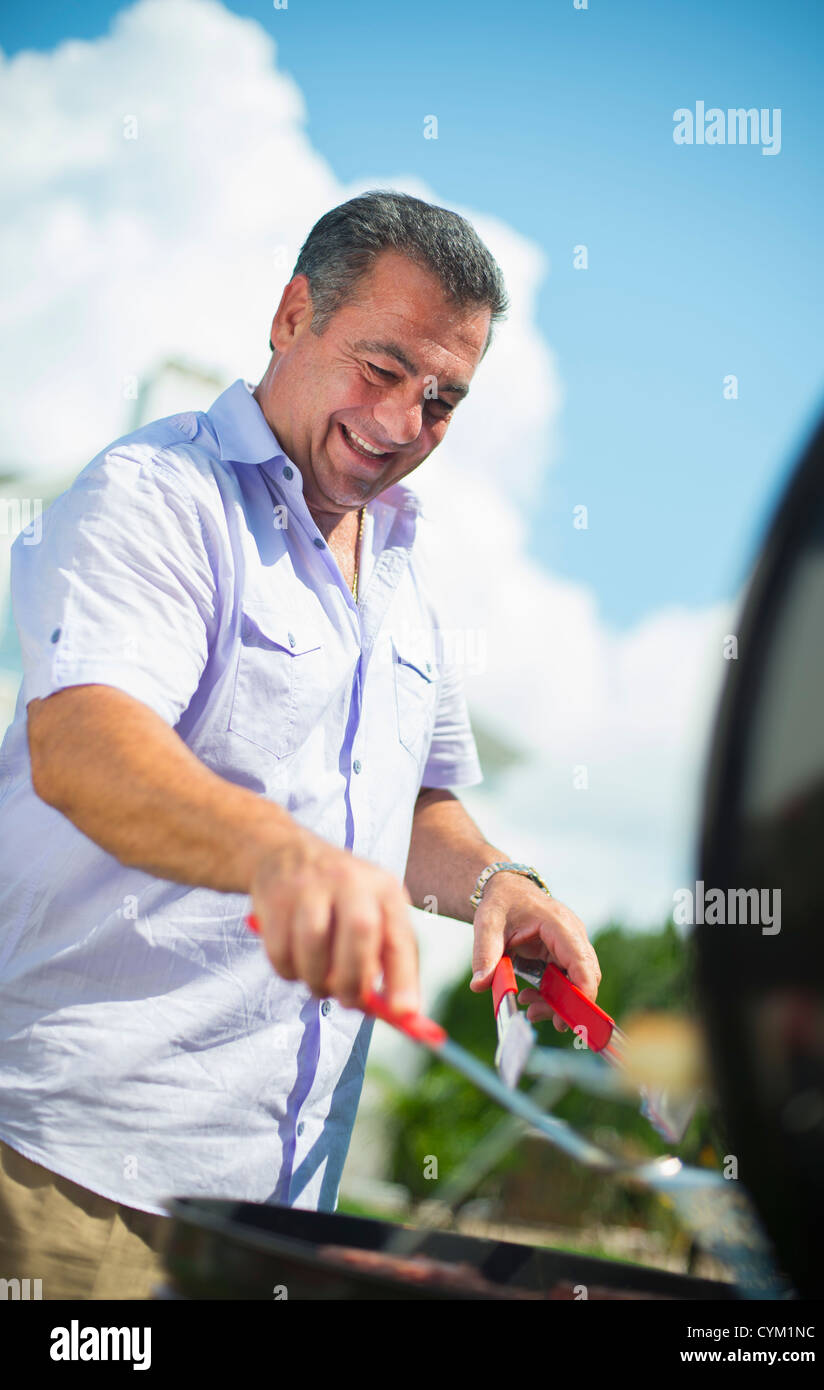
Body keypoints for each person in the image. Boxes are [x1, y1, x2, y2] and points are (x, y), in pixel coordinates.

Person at [0, 190, 600, 1298]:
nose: (403, 420)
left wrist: (495, 883)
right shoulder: (153, 498)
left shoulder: (403, 572)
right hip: (76, 1183)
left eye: (442, 399)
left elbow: (415, 804)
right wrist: (286, 855)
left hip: (282, 1213)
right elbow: (85, 744)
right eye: (380, 368)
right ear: (291, 316)